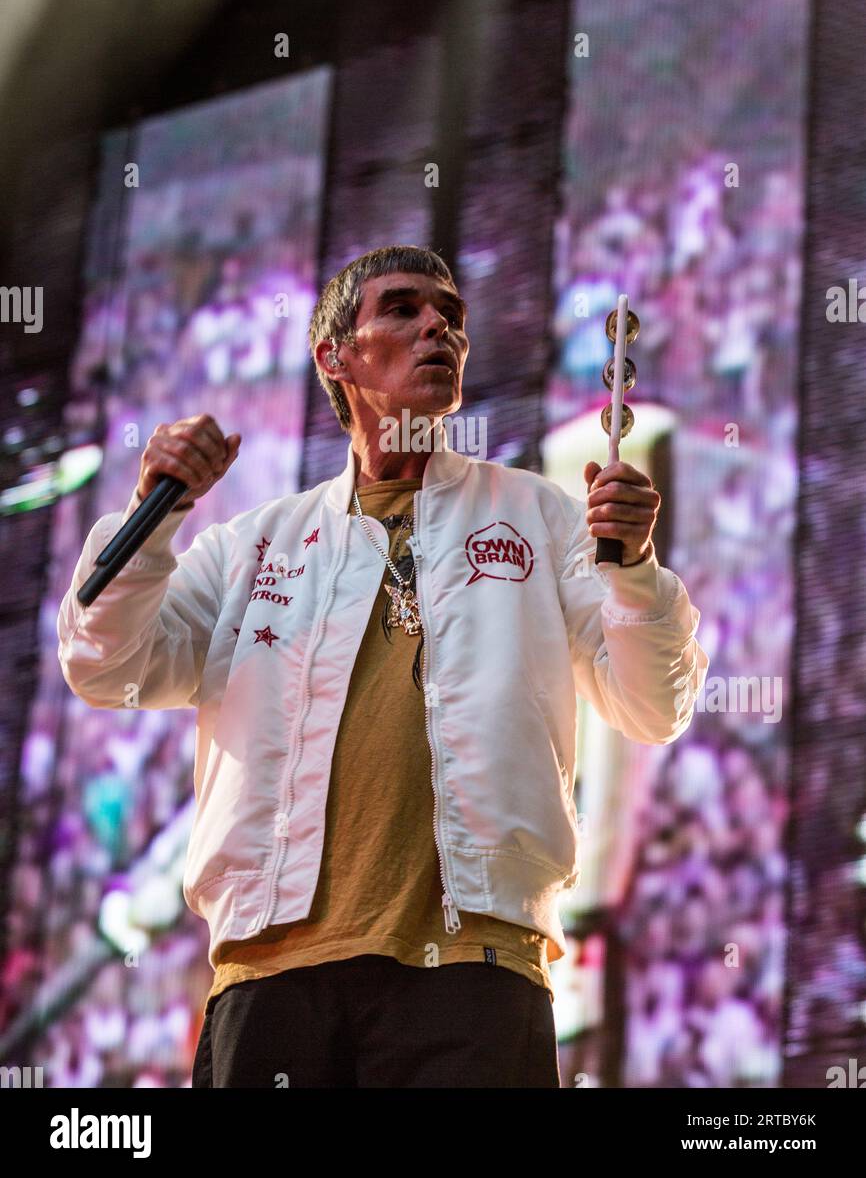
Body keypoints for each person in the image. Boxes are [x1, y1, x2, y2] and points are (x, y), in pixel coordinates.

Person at [57, 244, 709, 1088]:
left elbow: (655, 706)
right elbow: (104, 663)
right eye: (403, 308)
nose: (440, 325)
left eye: (452, 316)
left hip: (479, 969)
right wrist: (155, 515)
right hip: (272, 978)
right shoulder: (255, 546)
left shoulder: (540, 517)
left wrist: (633, 573)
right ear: (336, 355)